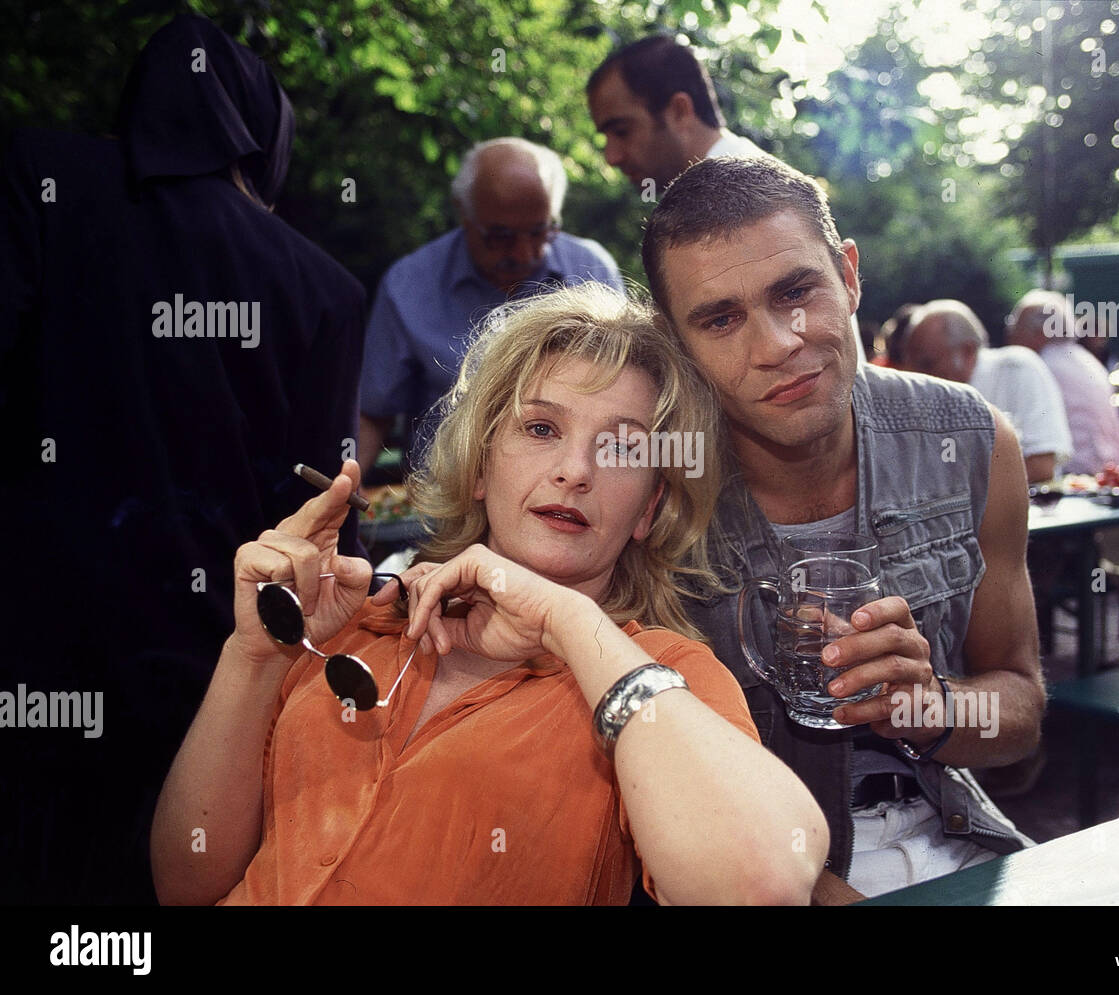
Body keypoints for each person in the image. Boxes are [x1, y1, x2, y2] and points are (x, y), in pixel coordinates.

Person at [151, 283, 828, 905]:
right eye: (541, 429)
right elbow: (185, 882)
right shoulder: (346, 625)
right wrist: (254, 654)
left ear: (649, 508)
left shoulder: (661, 676)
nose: (574, 471)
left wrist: (566, 618)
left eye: (622, 449)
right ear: (479, 465)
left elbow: (762, 882)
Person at [0, 13, 365, 903]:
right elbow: (317, 517)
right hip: (200, 666)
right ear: (263, 139)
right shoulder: (322, 284)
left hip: (26, 637)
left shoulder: (34, 173)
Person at [641, 156, 1044, 897]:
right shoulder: (648, 483)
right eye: (721, 318)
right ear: (677, 340)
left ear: (849, 275)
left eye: (796, 291)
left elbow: (1022, 707)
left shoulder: (973, 440)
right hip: (751, 876)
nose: (776, 344)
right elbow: (614, 761)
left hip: (958, 839)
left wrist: (928, 704)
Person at [356, 137, 624, 475]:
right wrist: (342, 486)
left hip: (570, 483)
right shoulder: (409, 284)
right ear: (464, 215)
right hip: (448, 499)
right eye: (501, 236)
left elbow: (626, 396)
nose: (524, 253)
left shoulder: (592, 270)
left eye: (539, 232)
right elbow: (373, 411)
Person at [901, 299, 1073, 484]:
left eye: (927, 364)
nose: (916, 375)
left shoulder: (1017, 368)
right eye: (911, 366)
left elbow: (1041, 466)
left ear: (968, 351)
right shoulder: (930, 393)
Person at [587, 35, 767, 196]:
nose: (611, 157)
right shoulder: (714, 192)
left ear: (679, 112)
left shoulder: (745, 198)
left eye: (621, 131)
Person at [1007, 290, 1119, 477]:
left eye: (1015, 328)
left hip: (1073, 481)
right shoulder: (1088, 361)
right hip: (1109, 478)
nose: (1011, 336)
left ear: (1040, 333)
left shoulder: (1038, 366)